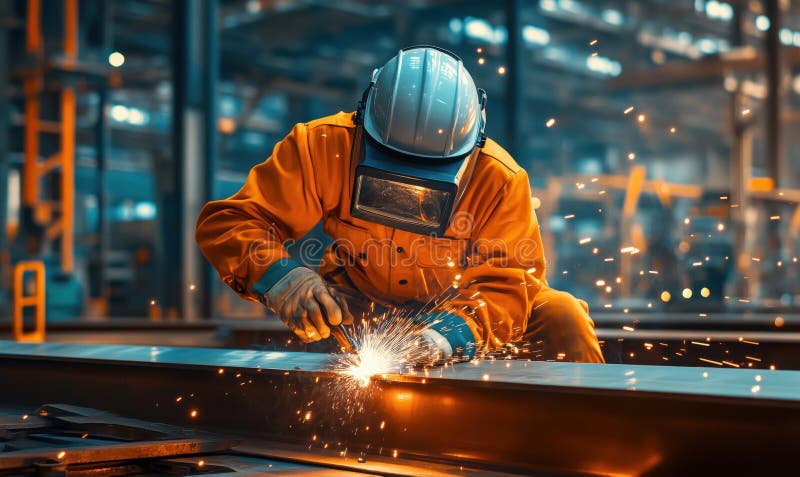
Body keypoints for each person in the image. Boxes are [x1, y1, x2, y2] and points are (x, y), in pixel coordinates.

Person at [195, 46, 604, 364]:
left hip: (461, 310)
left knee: (562, 315)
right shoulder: (321, 147)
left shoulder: (499, 179)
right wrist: (281, 277)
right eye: (391, 172)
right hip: (358, 307)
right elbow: (232, 221)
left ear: (468, 151)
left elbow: (508, 282)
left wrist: (449, 334)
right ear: (364, 127)